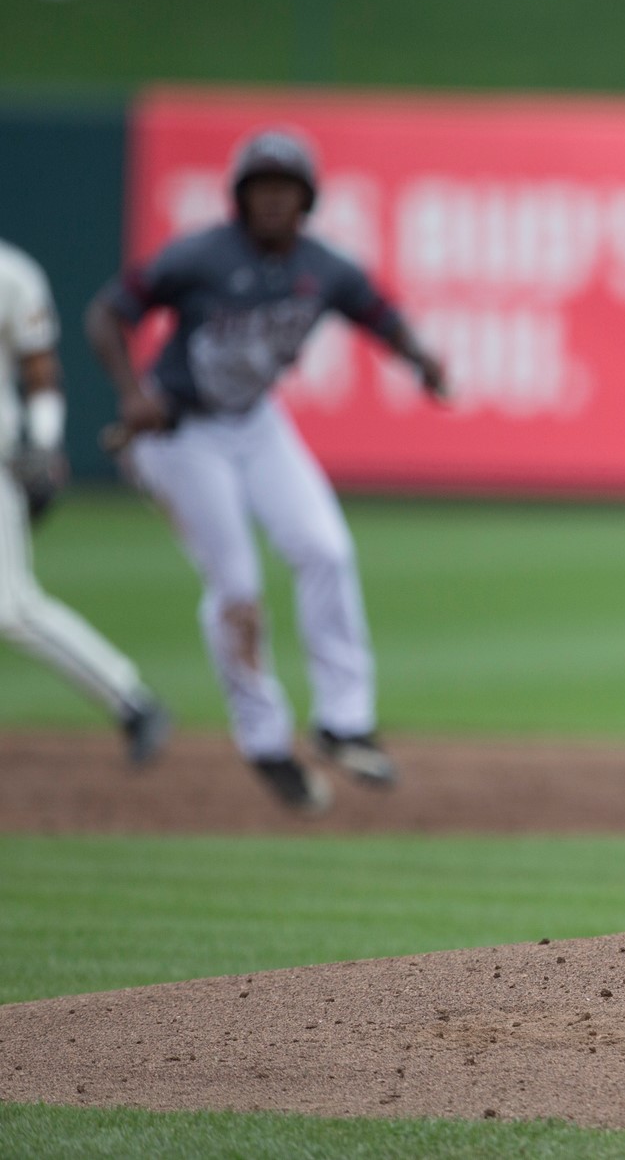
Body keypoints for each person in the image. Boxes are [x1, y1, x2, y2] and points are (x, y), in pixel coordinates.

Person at [84, 128, 448, 814]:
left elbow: (378, 312)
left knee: (326, 548)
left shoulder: (322, 267)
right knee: (238, 586)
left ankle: (344, 721)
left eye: (286, 189)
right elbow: (108, 311)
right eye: (261, 189)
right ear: (241, 197)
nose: (273, 201)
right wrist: (132, 391)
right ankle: (264, 741)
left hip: (255, 421)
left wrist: (422, 361)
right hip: (181, 434)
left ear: (305, 200)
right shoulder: (200, 256)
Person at [0, 236, 174, 763]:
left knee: (9, 608)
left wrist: (45, 443)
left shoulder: (10, 273)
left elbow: (39, 369)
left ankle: (132, 702)